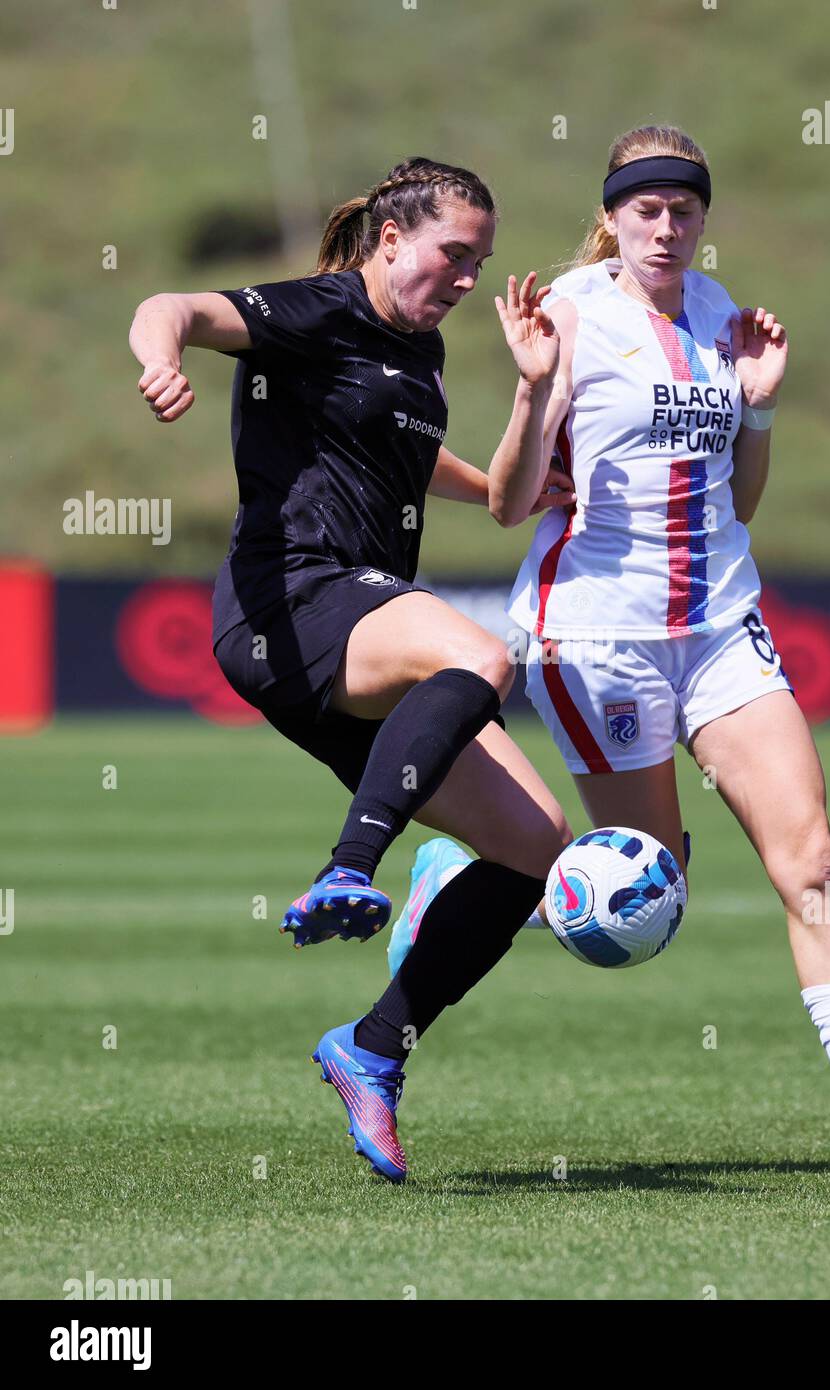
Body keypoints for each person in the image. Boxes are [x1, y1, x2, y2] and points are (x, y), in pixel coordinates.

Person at [397, 128, 830, 1182]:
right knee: (653, 897)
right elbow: (512, 507)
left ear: (703, 216)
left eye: (684, 209)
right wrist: (529, 389)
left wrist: (763, 403)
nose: (666, 227)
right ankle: (462, 870)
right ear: (612, 216)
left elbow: (740, 502)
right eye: (645, 209)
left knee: (816, 861)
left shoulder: (719, 311)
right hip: (598, 636)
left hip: (721, 627)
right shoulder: (566, 311)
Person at [128, 157, 574, 1182]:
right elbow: (174, 306)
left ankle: (375, 1047)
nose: (468, 276)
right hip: (290, 600)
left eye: (481, 261)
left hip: (349, 635)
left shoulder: (418, 362)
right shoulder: (321, 312)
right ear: (389, 238)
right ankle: (350, 867)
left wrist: (534, 386)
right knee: (480, 654)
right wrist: (160, 360)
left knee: (536, 848)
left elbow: (503, 498)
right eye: (454, 253)